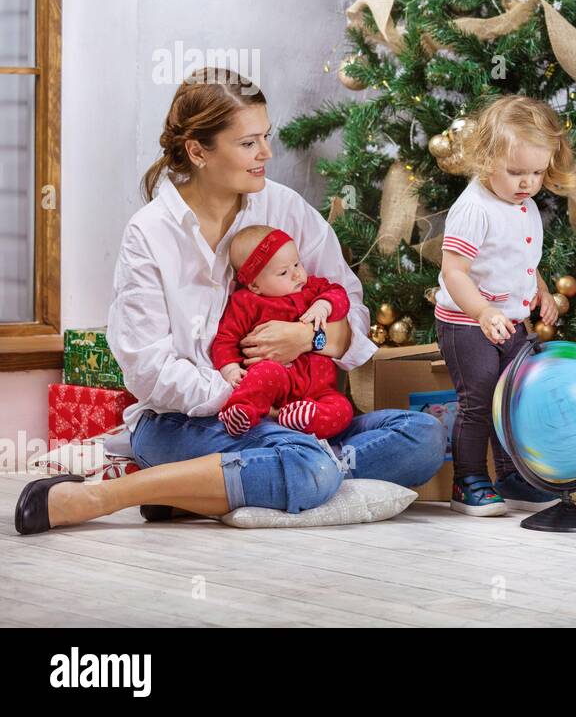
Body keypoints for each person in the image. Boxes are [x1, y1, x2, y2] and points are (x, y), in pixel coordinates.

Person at [13, 68, 443, 535]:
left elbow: (350, 315)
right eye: (248, 143)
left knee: (424, 436)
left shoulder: (285, 209)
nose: (266, 154)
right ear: (198, 151)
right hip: (182, 424)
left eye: (266, 137)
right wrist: (249, 397)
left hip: (296, 418)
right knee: (310, 463)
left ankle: (210, 488)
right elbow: (149, 370)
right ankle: (95, 497)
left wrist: (307, 337)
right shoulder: (150, 233)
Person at [434, 95, 572, 515]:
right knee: (478, 398)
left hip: (509, 321)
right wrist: (482, 312)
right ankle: (468, 480)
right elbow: (454, 271)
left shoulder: (524, 204)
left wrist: (542, 292)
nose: (527, 182)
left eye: (536, 172)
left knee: (512, 396)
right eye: (515, 172)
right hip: (466, 322)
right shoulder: (475, 209)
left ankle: (512, 476)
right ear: (485, 159)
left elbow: (522, 261)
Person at [212, 225, 355, 440]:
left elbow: (339, 294)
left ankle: (295, 418)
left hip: (319, 388)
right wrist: (230, 369)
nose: (297, 274)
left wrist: (324, 305)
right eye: (283, 272)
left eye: (297, 264)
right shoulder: (246, 303)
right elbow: (225, 339)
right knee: (264, 374)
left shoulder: (313, 290)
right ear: (254, 285)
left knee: (342, 410)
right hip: (277, 381)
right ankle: (242, 412)